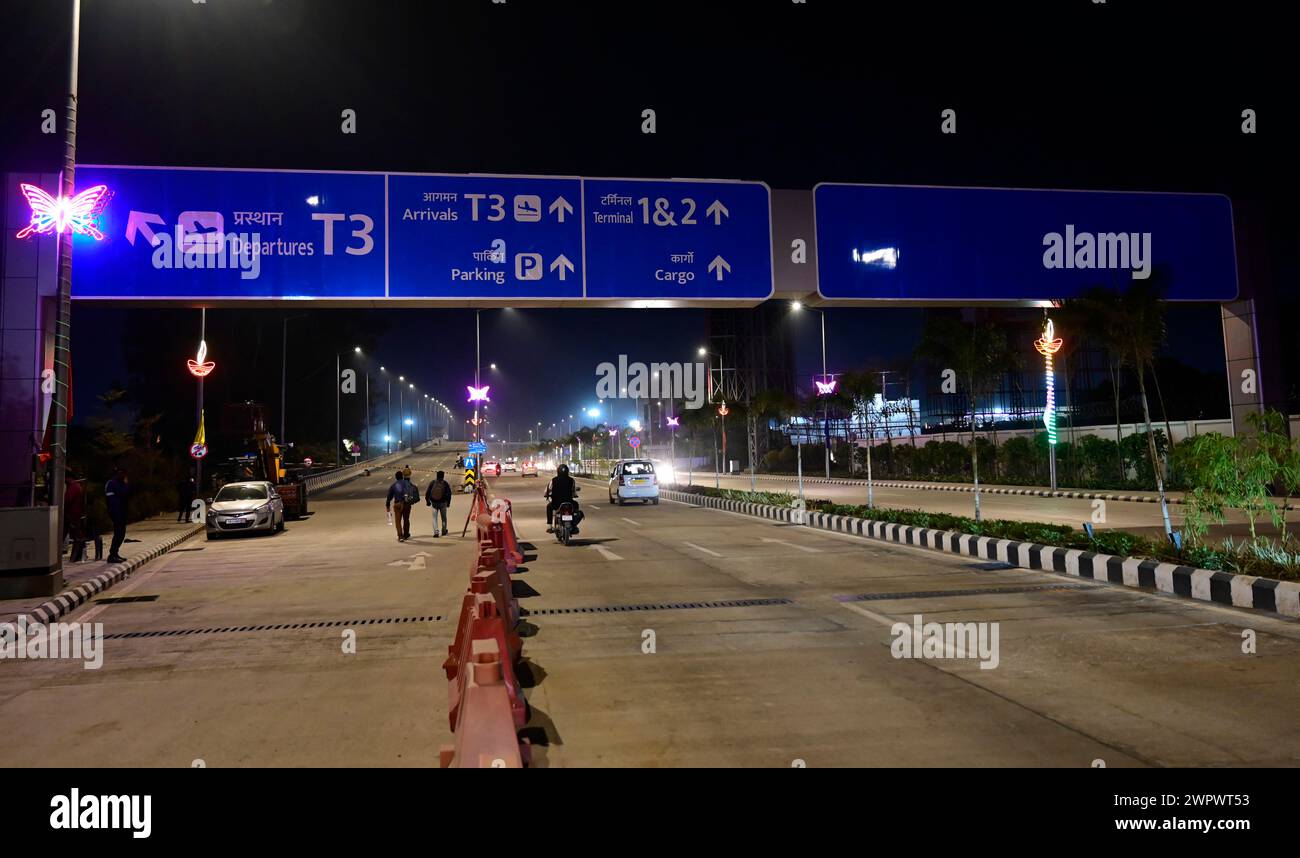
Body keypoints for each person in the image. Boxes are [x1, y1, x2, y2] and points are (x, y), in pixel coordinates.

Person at [545, 463, 582, 533]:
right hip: (569, 503)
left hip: (556, 504)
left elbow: (548, 490)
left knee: (549, 507)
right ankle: (574, 525)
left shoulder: (553, 480)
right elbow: (573, 492)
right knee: (576, 505)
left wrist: (547, 495)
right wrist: (574, 495)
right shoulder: (571, 480)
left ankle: (549, 526)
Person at [105, 467, 130, 563]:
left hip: (121, 511)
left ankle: (115, 553)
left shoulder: (118, 483)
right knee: (119, 533)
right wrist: (126, 484)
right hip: (116, 511)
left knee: (121, 533)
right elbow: (123, 492)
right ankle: (112, 554)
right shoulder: (112, 483)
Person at [386, 469, 418, 542]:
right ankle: (406, 534)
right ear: (402, 476)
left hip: (397, 504)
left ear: (396, 477)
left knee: (398, 521)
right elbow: (412, 491)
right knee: (406, 519)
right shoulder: (407, 483)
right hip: (406, 504)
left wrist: (387, 506)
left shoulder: (393, 485)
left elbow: (389, 497)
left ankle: (400, 536)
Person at [64, 471, 87, 563]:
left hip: (71, 515)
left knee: (76, 535)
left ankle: (75, 557)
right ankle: (77, 556)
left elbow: (67, 500)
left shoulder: (73, 487)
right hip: (73, 514)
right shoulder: (75, 486)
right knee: (77, 535)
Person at [425, 470, 453, 537]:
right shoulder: (445, 483)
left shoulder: (432, 483)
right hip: (443, 503)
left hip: (434, 503)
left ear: (437, 476)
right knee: (443, 517)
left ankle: (436, 532)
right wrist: (448, 503)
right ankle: (444, 531)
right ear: (443, 476)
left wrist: (427, 501)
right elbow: (449, 494)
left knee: (434, 518)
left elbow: (427, 493)